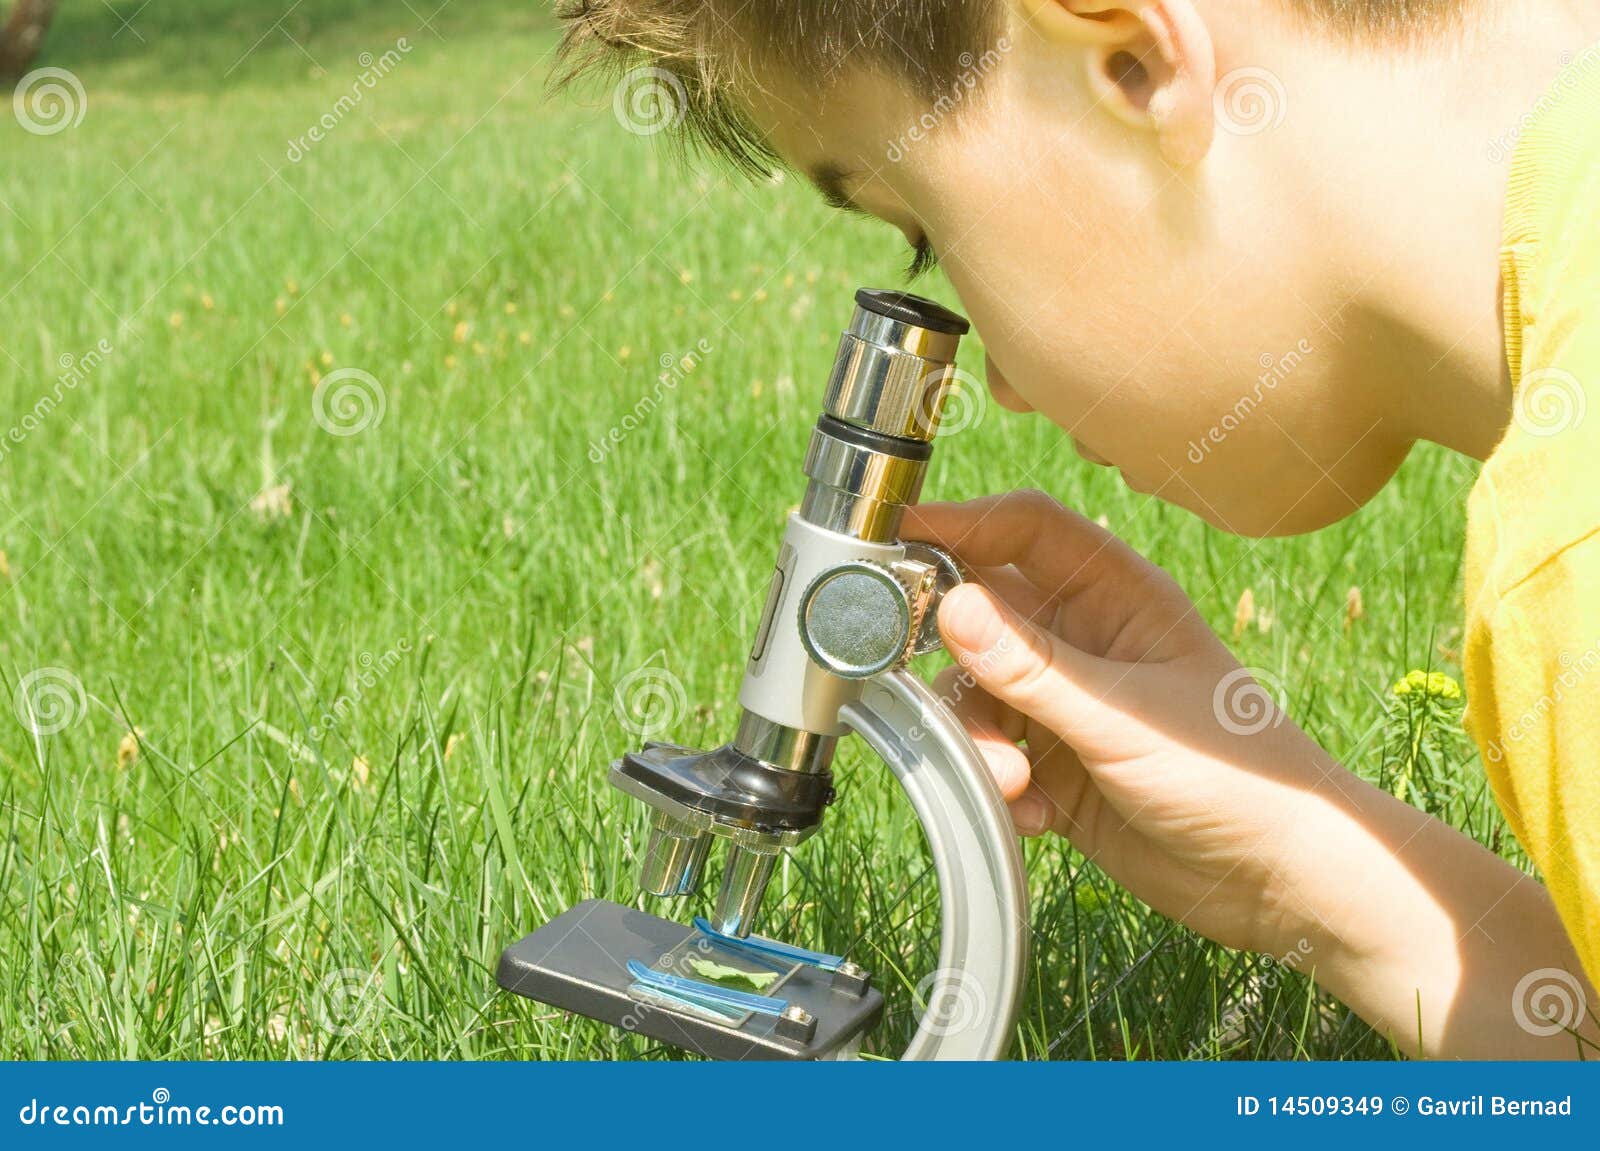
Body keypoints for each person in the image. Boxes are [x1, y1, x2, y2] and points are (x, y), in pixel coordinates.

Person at [556, 0, 1600, 1057]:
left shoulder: (1575, 548)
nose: (999, 386)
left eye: (922, 234)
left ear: (1132, 60)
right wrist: (1307, 860)